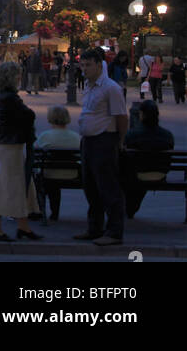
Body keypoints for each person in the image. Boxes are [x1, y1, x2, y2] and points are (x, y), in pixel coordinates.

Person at [73, 47, 129, 245]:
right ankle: (94, 228)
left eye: (88, 65)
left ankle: (114, 232)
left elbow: (122, 117)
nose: (84, 69)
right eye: (82, 65)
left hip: (104, 140)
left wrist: (119, 140)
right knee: (91, 187)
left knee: (108, 187)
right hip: (88, 141)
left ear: (99, 65)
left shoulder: (110, 87)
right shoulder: (89, 85)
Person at [0, 60, 42, 240]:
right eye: (17, 74)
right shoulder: (10, 98)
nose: (20, 77)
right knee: (10, 185)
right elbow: (29, 115)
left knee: (12, 184)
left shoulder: (3, 96)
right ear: (11, 77)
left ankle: (20, 226)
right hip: (12, 145)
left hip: (9, 144)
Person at [122, 100, 175, 218]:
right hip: (160, 172)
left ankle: (129, 208)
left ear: (141, 115)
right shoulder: (167, 135)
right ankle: (130, 208)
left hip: (136, 173)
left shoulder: (132, 134)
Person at [33, 105, 81, 222]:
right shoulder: (76, 137)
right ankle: (54, 213)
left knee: (47, 182)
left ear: (50, 118)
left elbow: (35, 151)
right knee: (55, 181)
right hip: (72, 174)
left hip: (49, 175)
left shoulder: (45, 136)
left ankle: (45, 212)